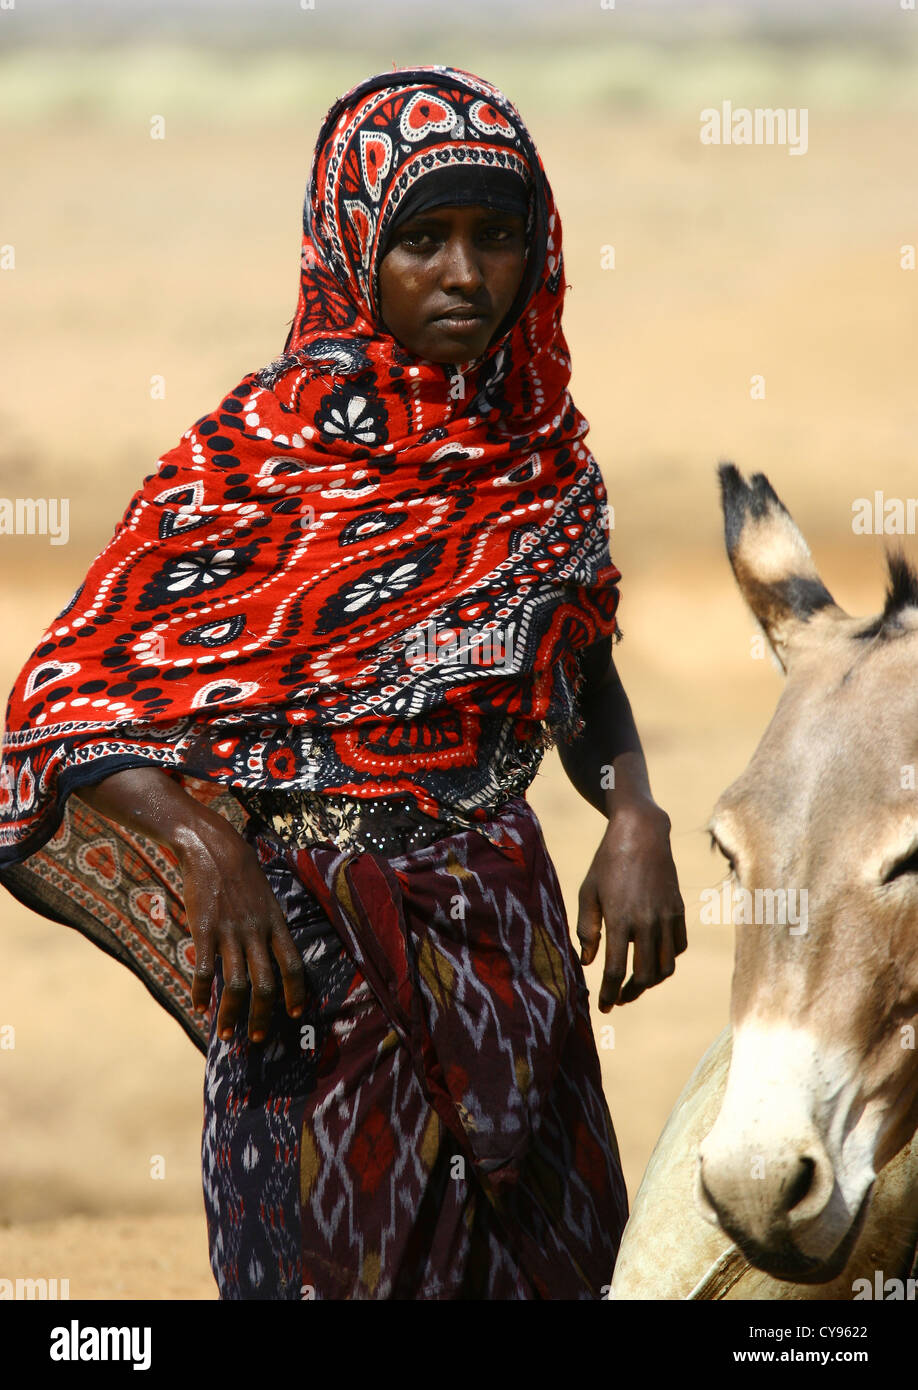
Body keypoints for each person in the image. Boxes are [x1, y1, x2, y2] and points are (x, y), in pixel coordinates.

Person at [0, 65, 686, 1299]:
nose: (467, 276)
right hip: (311, 959)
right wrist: (209, 851)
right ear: (350, 245)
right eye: (423, 239)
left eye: (499, 238)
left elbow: (577, 666)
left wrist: (634, 809)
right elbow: (62, 704)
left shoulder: (543, 459)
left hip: (510, 961)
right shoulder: (251, 459)